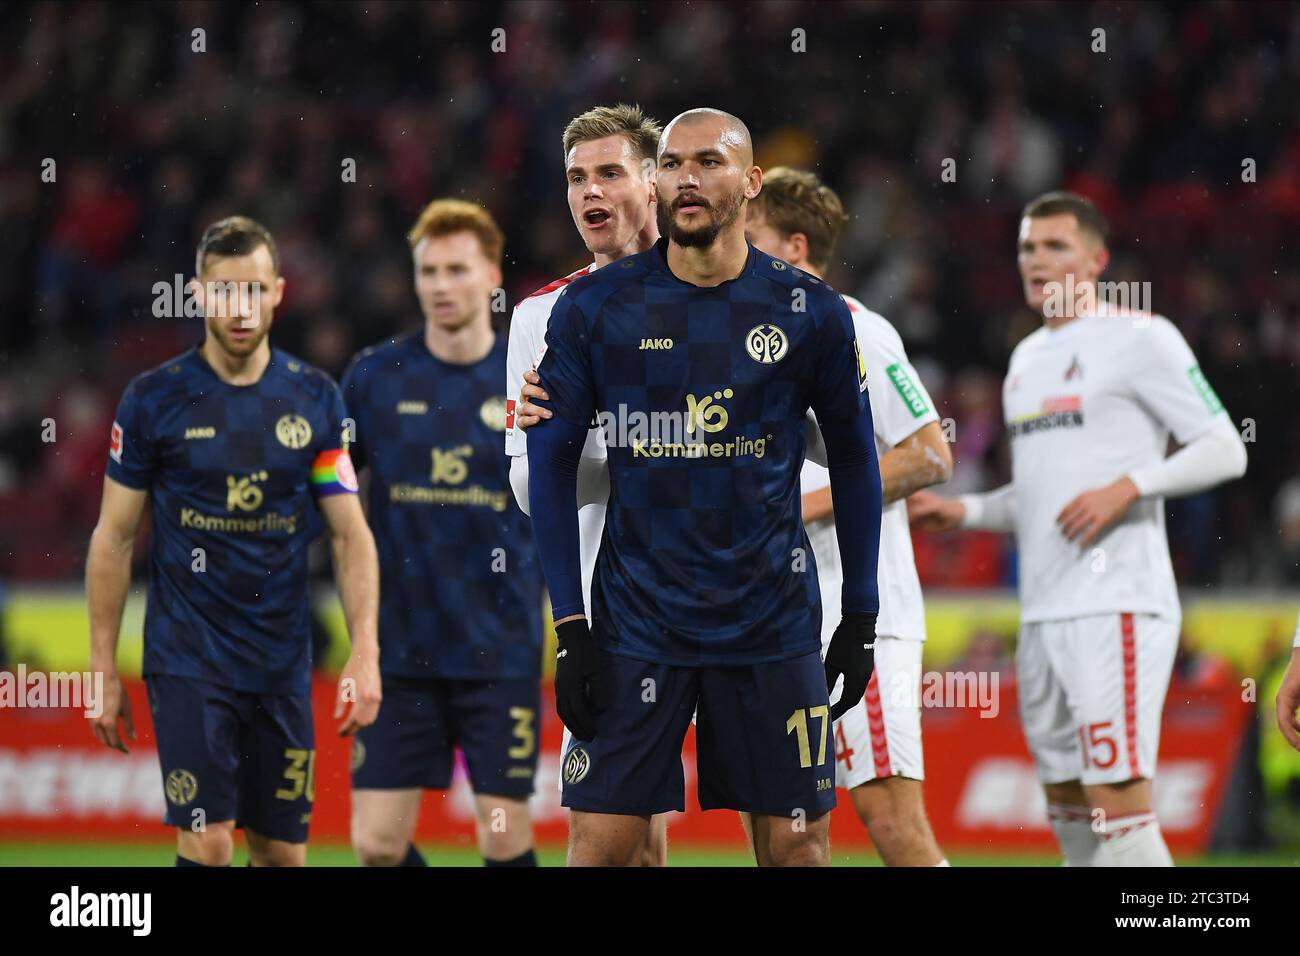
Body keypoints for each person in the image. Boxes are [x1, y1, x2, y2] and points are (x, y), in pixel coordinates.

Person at [527, 108, 883, 866]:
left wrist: (860, 617)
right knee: (601, 853)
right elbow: (549, 468)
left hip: (771, 627)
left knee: (799, 853)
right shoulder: (593, 309)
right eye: (674, 163)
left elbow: (856, 460)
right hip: (634, 627)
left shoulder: (808, 309)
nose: (689, 178)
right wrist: (571, 630)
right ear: (656, 181)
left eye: (710, 162)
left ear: (751, 182)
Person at [909, 192, 1247, 865]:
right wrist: (967, 512)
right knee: (1069, 812)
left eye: (1056, 246)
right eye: (1028, 248)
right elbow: (1041, 497)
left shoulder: (1141, 337)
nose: (1037, 260)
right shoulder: (1026, 360)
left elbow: (1225, 447)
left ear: (1096, 260)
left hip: (1115, 604)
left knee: (1119, 805)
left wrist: (1131, 485)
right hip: (1042, 614)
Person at [86, 216, 381, 867]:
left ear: (278, 292)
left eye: (253, 290)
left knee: (281, 855)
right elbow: (112, 538)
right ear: (198, 295)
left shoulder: (316, 401)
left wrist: (365, 652)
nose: (240, 307)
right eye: (224, 291)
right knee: (211, 840)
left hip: (280, 661)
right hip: (188, 656)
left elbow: (350, 534)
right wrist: (103, 669)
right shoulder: (153, 401)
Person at [743, 167, 951, 866]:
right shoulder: (740, 338)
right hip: (769, 622)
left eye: (752, 237)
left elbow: (929, 454)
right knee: (786, 834)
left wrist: (805, 506)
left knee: (890, 818)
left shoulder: (857, 328)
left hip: (861, 618)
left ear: (796, 249)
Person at [343, 200, 545, 867]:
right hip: (401, 655)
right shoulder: (373, 377)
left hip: (499, 654)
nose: (440, 284)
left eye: (457, 269)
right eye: (428, 270)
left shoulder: (528, 381)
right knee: (375, 845)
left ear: (491, 277)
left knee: (501, 836)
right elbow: (334, 499)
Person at [503, 103, 670, 866]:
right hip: (617, 611)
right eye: (576, 177)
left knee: (792, 843)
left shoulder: (733, 297)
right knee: (610, 844)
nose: (589, 191)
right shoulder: (541, 317)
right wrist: (576, 453)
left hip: (749, 605)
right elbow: (528, 485)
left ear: (654, 181)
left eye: (609, 172)